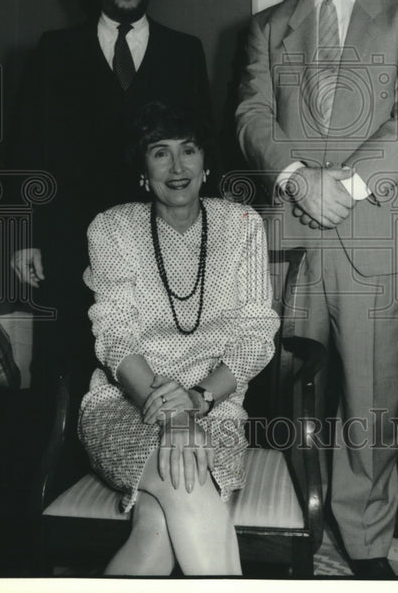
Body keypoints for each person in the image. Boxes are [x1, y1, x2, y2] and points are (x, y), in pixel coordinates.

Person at [236, 0, 398, 579]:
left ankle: (367, 547)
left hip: (375, 238)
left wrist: (344, 187)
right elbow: (252, 118)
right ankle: (295, 529)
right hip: (288, 243)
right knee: (285, 397)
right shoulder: (268, 26)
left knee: (371, 402)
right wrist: (296, 180)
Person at [9, 0, 212, 395]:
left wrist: (202, 241)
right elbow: (24, 146)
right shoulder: (54, 50)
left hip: (158, 241)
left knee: (152, 369)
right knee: (64, 366)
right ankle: (58, 470)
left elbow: (204, 150)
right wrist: (24, 236)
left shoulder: (185, 51)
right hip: (67, 242)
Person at [78, 102, 279, 576]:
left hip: (216, 405)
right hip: (125, 403)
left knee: (158, 526)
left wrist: (198, 400)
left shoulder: (242, 225)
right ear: (143, 170)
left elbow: (255, 335)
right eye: (160, 153)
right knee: (187, 485)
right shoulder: (112, 228)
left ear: (206, 163)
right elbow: (115, 337)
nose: (177, 167)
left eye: (188, 150)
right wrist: (172, 415)